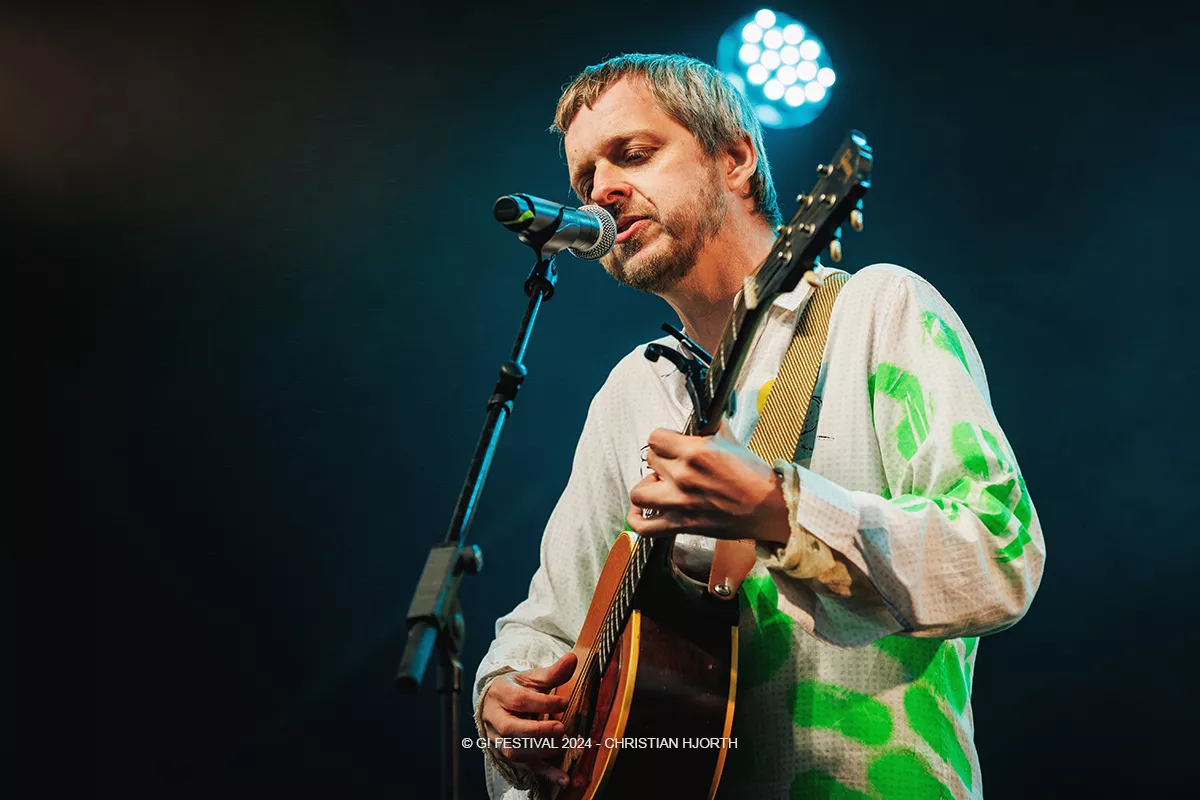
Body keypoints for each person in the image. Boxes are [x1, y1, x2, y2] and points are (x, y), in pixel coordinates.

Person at [472, 53, 1045, 799]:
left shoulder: (878, 311)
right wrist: (503, 694)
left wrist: (782, 511)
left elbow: (999, 551)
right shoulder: (629, 395)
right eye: (584, 180)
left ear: (737, 157)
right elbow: (554, 617)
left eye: (634, 154)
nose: (602, 191)